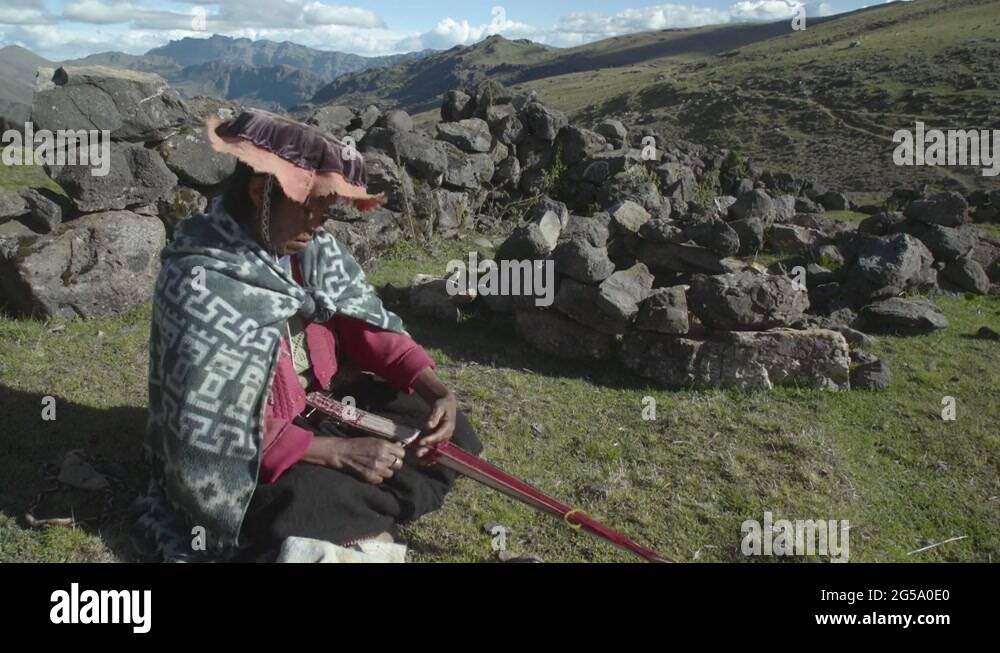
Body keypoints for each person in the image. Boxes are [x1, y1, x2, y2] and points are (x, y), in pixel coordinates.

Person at [132, 109, 481, 562]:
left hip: (328, 404)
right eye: (310, 207)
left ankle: (352, 518)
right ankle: (347, 513)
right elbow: (209, 425)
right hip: (260, 442)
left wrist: (438, 392)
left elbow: (367, 328)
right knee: (306, 496)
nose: (319, 223)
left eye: (325, 210)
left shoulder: (313, 253)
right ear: (261, 194)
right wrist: (335, 452)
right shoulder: (199, 279)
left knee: (455, 437)